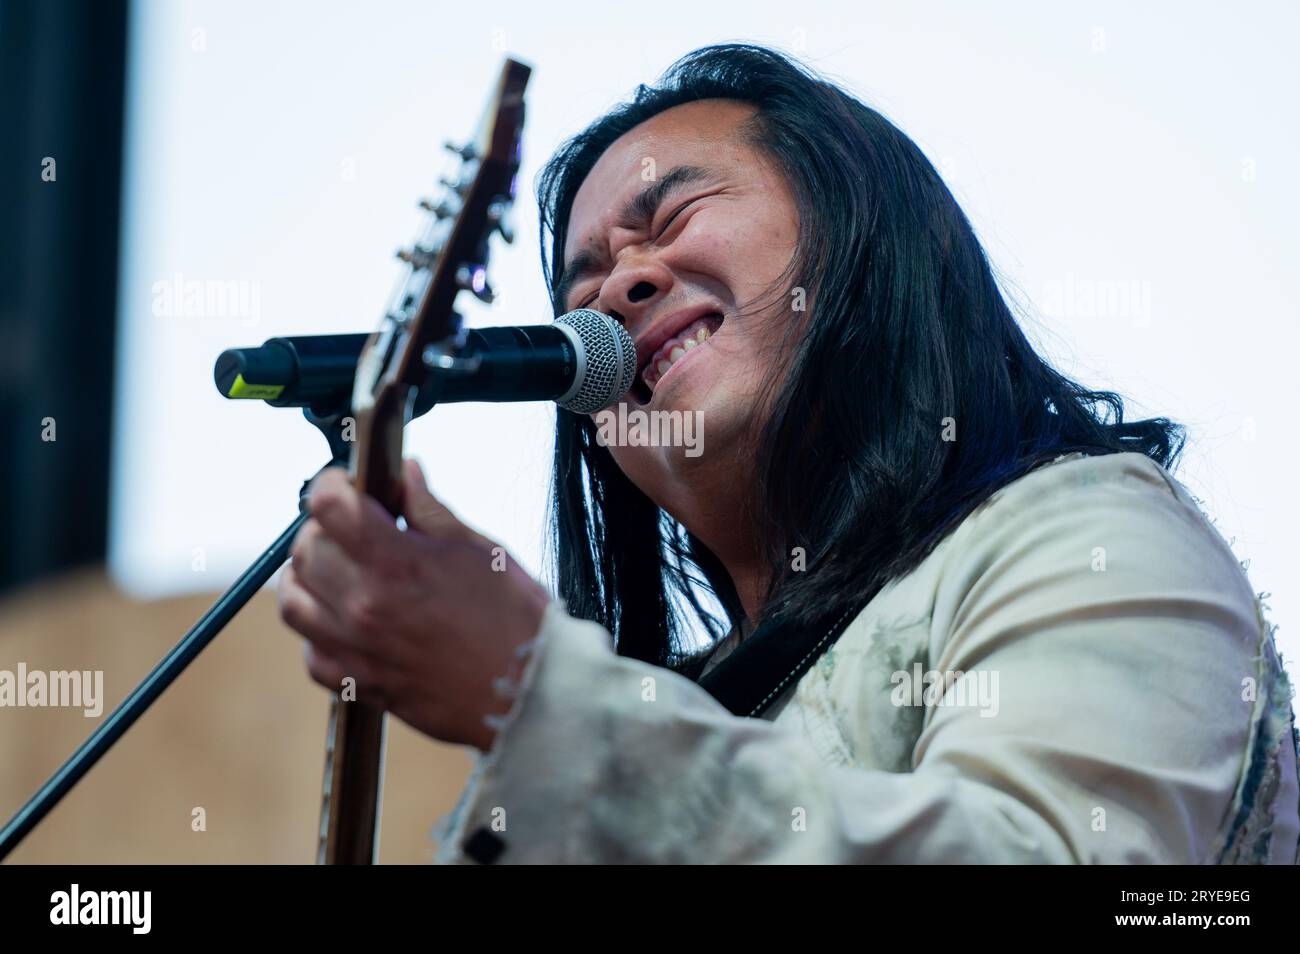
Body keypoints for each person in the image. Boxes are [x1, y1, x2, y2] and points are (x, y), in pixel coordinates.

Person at [277, 44, 1300, 863]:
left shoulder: (1088, 534)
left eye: (670, 217)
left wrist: (536, 696)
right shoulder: (669, 713)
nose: (617, 289)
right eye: (579, 288)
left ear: (863, 232)